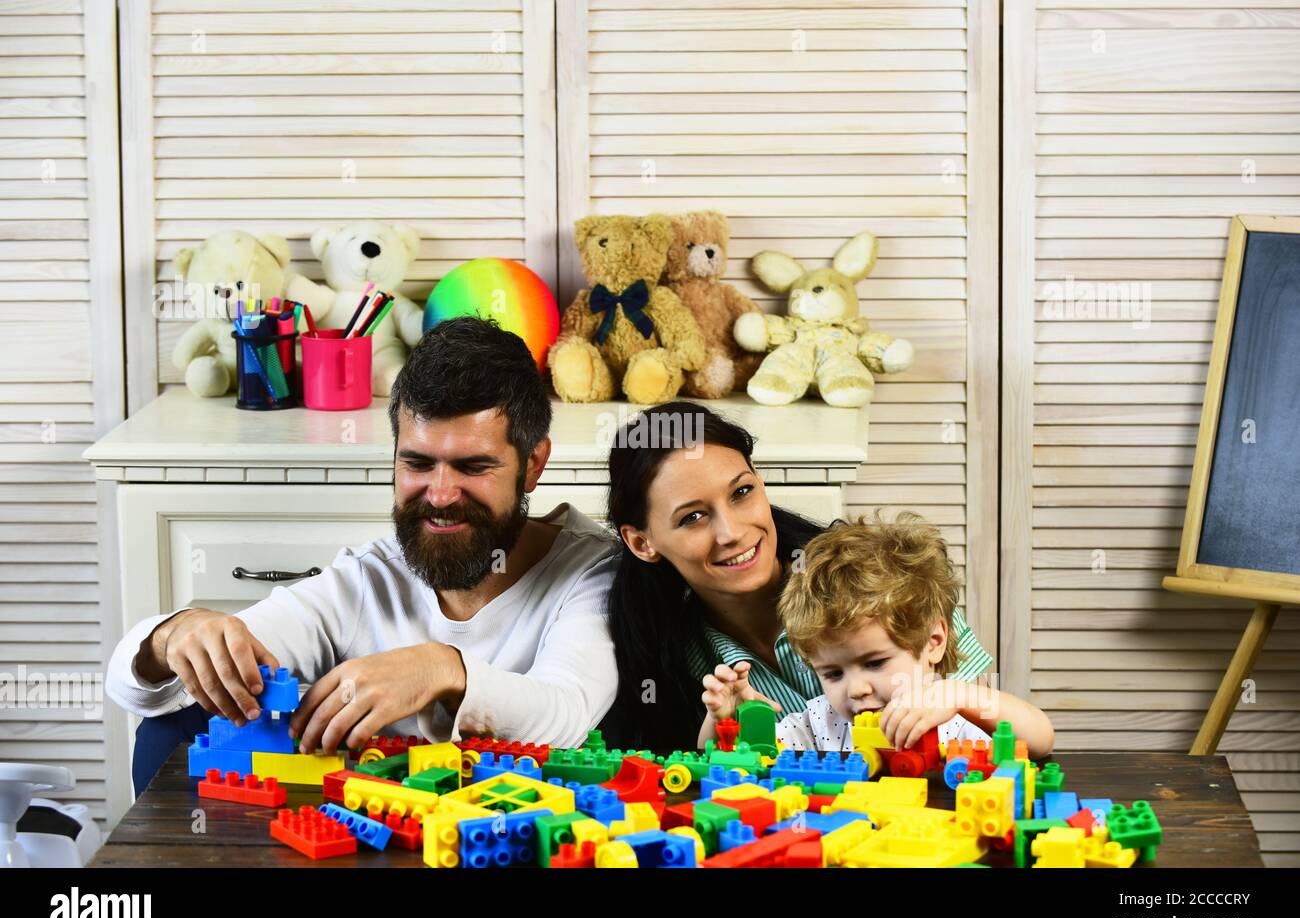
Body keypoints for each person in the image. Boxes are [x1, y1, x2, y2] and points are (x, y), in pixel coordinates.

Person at [106, 318, 619, 754]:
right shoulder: (369, 577)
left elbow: (566, 714)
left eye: (473, 466)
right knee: (168, 730)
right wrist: (174, 636)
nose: (440, 494)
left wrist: (441, 669)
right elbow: (141, 694)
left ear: (532, 464)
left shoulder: (593, 571)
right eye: (418, 463)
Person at [600, 401, 993, 754]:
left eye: (741, 492)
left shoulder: (873, 581)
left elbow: (996, 730)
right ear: (641, 543)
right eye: (693, 517)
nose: (732, 532)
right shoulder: (672, 658)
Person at [699, 514, 1055, 759]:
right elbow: (736, 757)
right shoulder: (820, 724)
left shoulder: (952, 715)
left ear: (933, 642)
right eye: (833, 673)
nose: (855, 690)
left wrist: (960, 695)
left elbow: (1039, 739)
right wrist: (724, 723)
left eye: (875, 662)